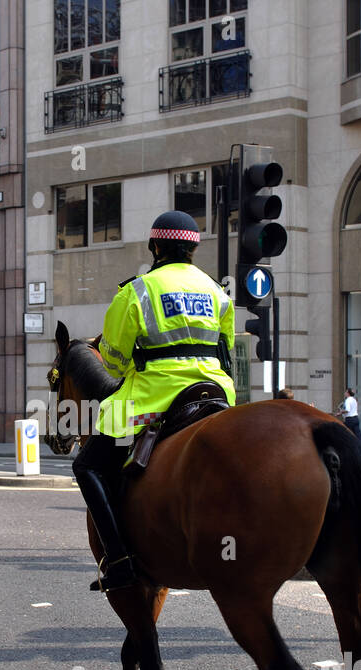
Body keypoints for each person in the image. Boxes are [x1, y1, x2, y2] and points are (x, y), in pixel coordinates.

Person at [73, 210, 235, 592]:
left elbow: (112, 359)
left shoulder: (138, 291)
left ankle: (119, 559)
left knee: (88, 466)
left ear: (156, 246)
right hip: (214, 392)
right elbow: (226, 351)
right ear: (194, 249)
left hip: (156, 398)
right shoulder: (217, 291)